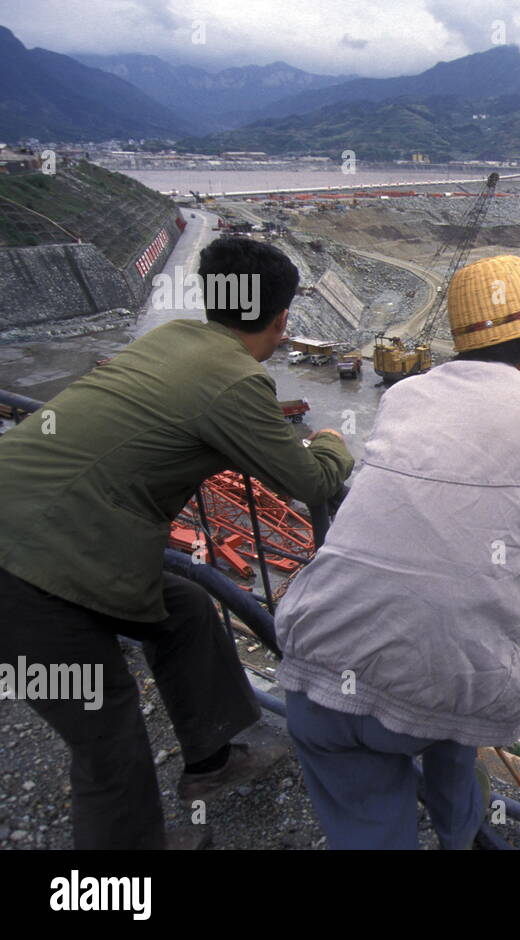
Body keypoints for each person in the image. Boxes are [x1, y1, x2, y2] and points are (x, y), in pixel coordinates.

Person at [0, 236, 355, 849]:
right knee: (105, 727)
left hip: (56, 530)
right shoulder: (236, 380)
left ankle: (212, 760)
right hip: (27, 562)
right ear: (281, 318)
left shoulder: (170, 339)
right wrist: (331, 440)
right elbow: (312, 480)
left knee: (185, 607)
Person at [275, 254, 520, 850]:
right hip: (457, 684)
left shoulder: (404, 395)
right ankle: (462, 835)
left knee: (367, 824)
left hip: (317, 664)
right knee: (454, 715)